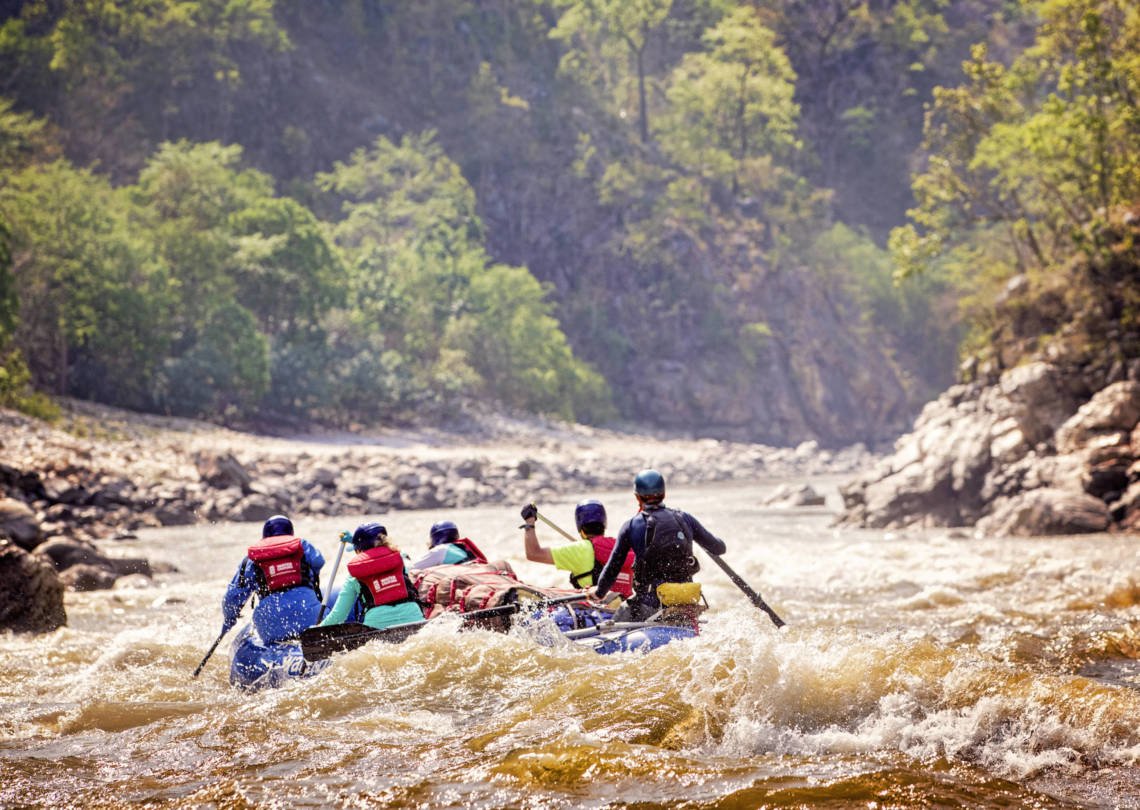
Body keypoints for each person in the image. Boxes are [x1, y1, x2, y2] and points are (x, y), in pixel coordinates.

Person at [590, 469, 726, 622]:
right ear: (664, 494)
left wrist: (599, 592)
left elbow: (613, 568)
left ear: (637, 497)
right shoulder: (685, 518)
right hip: (686, 600)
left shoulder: (631, 525)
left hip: (650, 604)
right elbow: (719, 548)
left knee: (617, 618)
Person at [221, 514, 325, 644]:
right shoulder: (302, 546)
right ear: (291, 532)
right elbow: (319, 562)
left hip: (271, 624)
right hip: (311, 616)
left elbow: (232, 597)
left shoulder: (251, 559)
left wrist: (229, 620)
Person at [318, 522, 424, 630]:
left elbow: (338, 616)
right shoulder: (402, 559)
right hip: (415, 619)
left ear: (359, 550)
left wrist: (317, 629)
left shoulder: (354, 575)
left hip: (377, 627)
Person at [519, 499, 634, 596]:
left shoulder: (580, 549)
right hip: (624, 608)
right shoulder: (621, 545)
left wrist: (529, 522)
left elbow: (533, 553)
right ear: (604, 523)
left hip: (598, 609)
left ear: (580, 527)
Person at [407, 520, 489, 569]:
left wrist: (405, 560)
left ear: (435, 537)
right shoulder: (463, 547)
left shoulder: (440, 550)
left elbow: (413, 568)